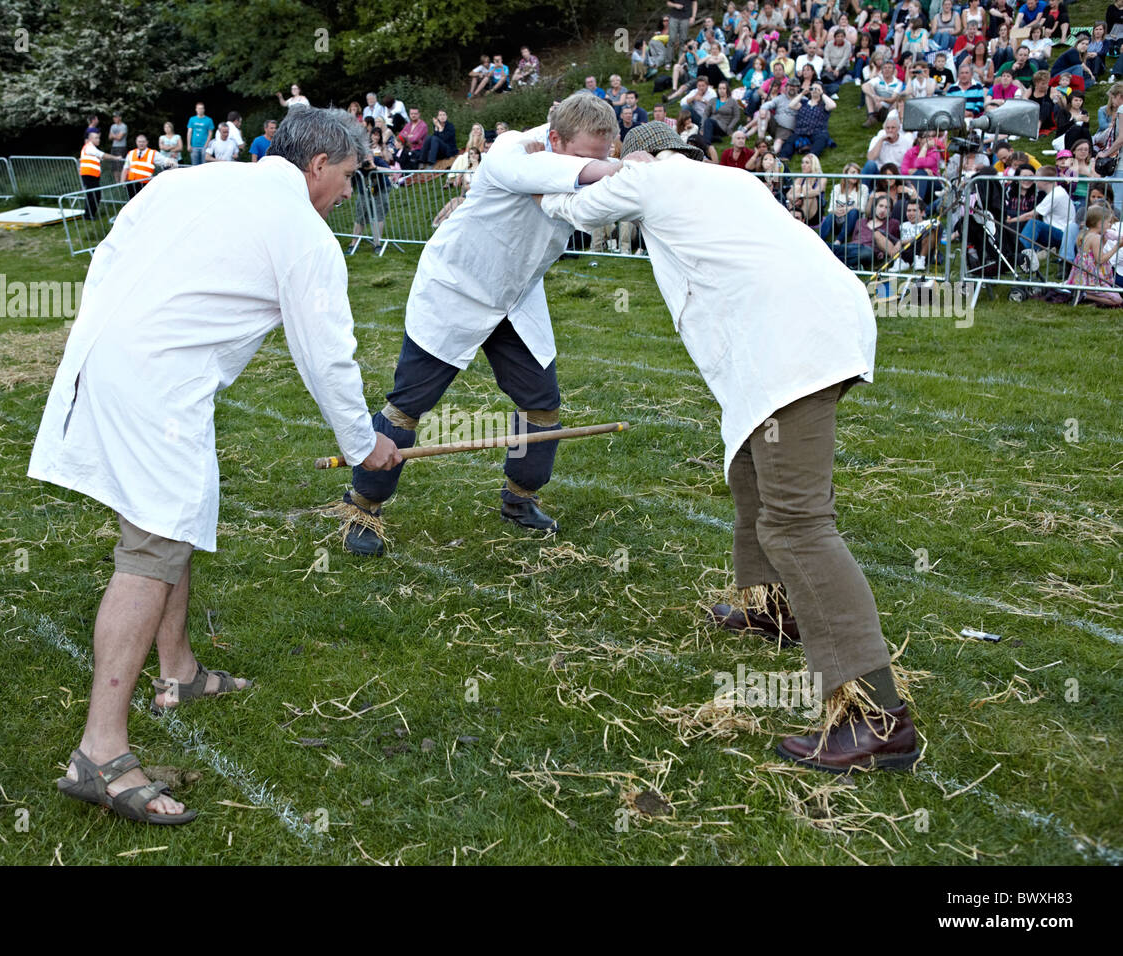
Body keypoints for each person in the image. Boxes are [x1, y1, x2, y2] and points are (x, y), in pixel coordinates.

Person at [31, 108, 404, 826]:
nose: (346, 195)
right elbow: (326, 355)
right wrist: (364, 444)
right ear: (319, 164)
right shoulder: (304, 233)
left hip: (109, 355)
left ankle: (179, 671)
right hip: (158, 384)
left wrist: (108, 337)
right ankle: (99, 753)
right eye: (348, 178)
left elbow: (109, 253)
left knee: (173, 514)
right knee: (151, 547)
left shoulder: (187, 181)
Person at [541, 123, 919, 773]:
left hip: (791, 345)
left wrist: (538, 171)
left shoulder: (652, 176)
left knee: (797, 522)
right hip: (817, 326)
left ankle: (876, 715)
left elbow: (574, 209)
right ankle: (776, 610)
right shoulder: (726, 177)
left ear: (640, 155)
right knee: (750, 466)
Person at [333, 94, 626, 556]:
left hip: (516, 298)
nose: (597, 165)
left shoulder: (573, 155)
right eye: (587, 157)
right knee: (407, 408)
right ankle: (361, 507)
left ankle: (519, 499)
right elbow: (555, 179)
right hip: (456, 291)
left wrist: (641, 163)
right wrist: (630, 171)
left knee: (542, 405)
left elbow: (595, 197)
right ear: (555, 139)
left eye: (603, 155)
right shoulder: (511, 149)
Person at [349, 126, 394, 257]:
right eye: (366, 156)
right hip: (364, 192)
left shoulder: (377, 160)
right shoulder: (358, 163)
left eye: (370, 155)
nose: (368, 159)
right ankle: (353, 244)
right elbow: (348, 172)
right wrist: (358, 166)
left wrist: (375, 167)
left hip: (381, 191)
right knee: (360, 217)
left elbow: (391, 171)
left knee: (379, 216)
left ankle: (377, 244)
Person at [1067, 204, 1122, 304]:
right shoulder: (1095, 238)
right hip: (1092, 281)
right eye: (1108, 222)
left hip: (1084, 279)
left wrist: (1105, 239)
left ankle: (1084, 295)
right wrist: (1116, 247)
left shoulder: (1087, 234)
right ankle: (1085, 295)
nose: (1110, 225)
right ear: (1100, 223)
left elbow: (1094, 252)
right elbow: (1100, 259)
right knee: (1118, 300)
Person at [123, 133, 177, 198]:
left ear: (146, 142)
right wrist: (122, 182)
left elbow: (164, 160)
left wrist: (172, 161)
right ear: (136, 142)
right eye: (139, 142)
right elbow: (125, 169)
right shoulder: (131, 153)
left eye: (143, 142)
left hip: (145, 184)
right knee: (132, 204)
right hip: (131, 183)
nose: (141, 143)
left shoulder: (152, 153)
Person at [79, 129, 107, 219]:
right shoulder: (89, 147)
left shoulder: (92, 148)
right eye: (96, 138)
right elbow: (101, 155)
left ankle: (89, 214)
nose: (98, 139)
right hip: (89, 174)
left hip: (93, 175)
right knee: (93, 195)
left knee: (93, 194)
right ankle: (88, 214)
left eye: (98, 138)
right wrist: (116, 158)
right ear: (90, 139)